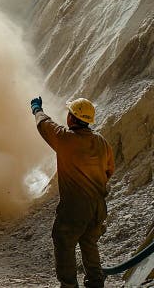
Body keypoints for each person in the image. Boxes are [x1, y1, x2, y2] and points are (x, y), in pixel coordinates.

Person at [31, 96, 115, 288]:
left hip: (74, 208)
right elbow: (109, 170)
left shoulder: (65, 139)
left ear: (72, 118)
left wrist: (37, 109)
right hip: (97, 206)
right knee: (89, 243)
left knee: (64, 243)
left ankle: (69, 285)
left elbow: (44, 125)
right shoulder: (101, 141)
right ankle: (96, 282)